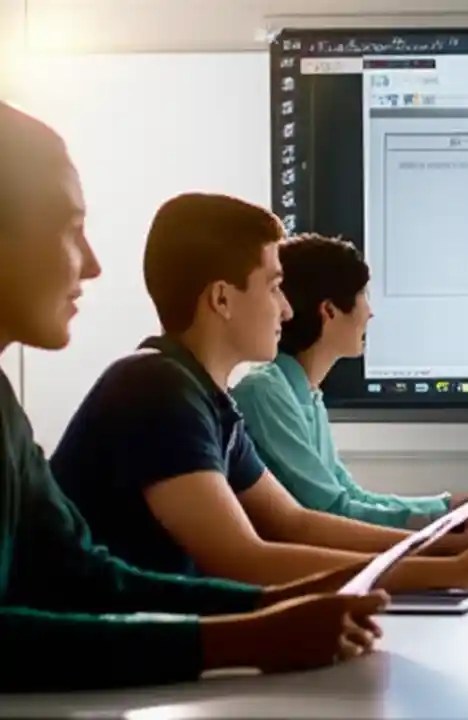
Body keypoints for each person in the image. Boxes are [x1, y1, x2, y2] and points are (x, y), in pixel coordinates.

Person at [0, 101, 387, 690]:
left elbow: (88, 580)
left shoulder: (4, 405)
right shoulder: (152, 385)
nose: (96, 265)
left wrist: (278, 604)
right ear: (222, 298)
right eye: (68, 227)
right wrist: (250, 632)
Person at [50, 192, 468, 592]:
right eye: (274, 286)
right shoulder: (156, 389)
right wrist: (453, 571)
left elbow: (296, 522)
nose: (285, 310)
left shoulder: (206, 398)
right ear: (222, 298)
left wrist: (452, 544)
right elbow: (243, 560)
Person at [231, 233, 468, 529]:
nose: (370, 311)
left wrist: (463, 504)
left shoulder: (304, 393)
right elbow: (335, 512)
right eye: (363, 296)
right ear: (329, 310)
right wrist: (457, 521)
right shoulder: (265, 391)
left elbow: (353, 497)